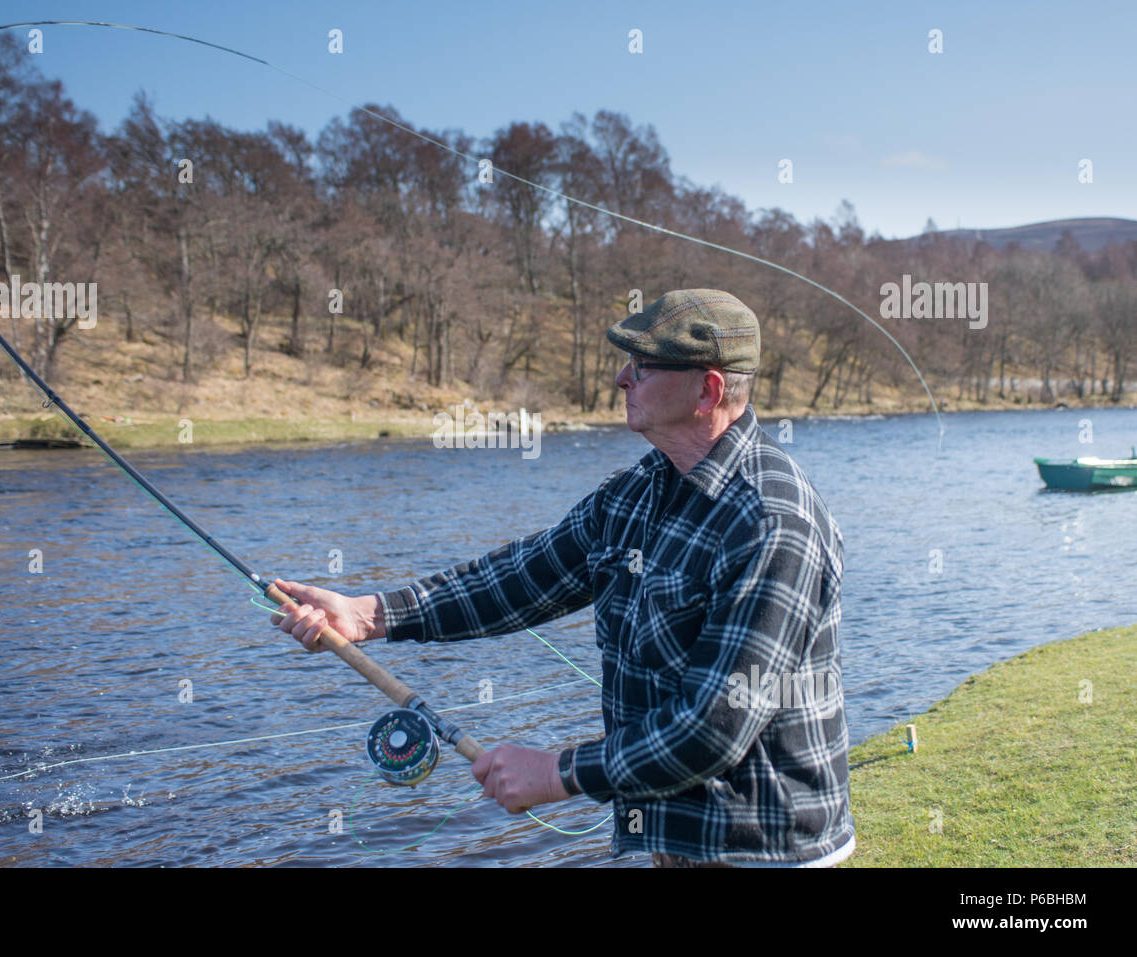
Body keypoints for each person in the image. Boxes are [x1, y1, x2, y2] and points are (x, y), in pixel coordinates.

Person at [272, 288, 853, 867]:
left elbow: (714, 727)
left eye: (643, 366)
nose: (623, 378)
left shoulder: (774, 524)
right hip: (677, 839)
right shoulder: (635, 494)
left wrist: (558, 772)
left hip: (767, 849)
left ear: (709, 389)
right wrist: (371, 614)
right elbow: (521, 578)